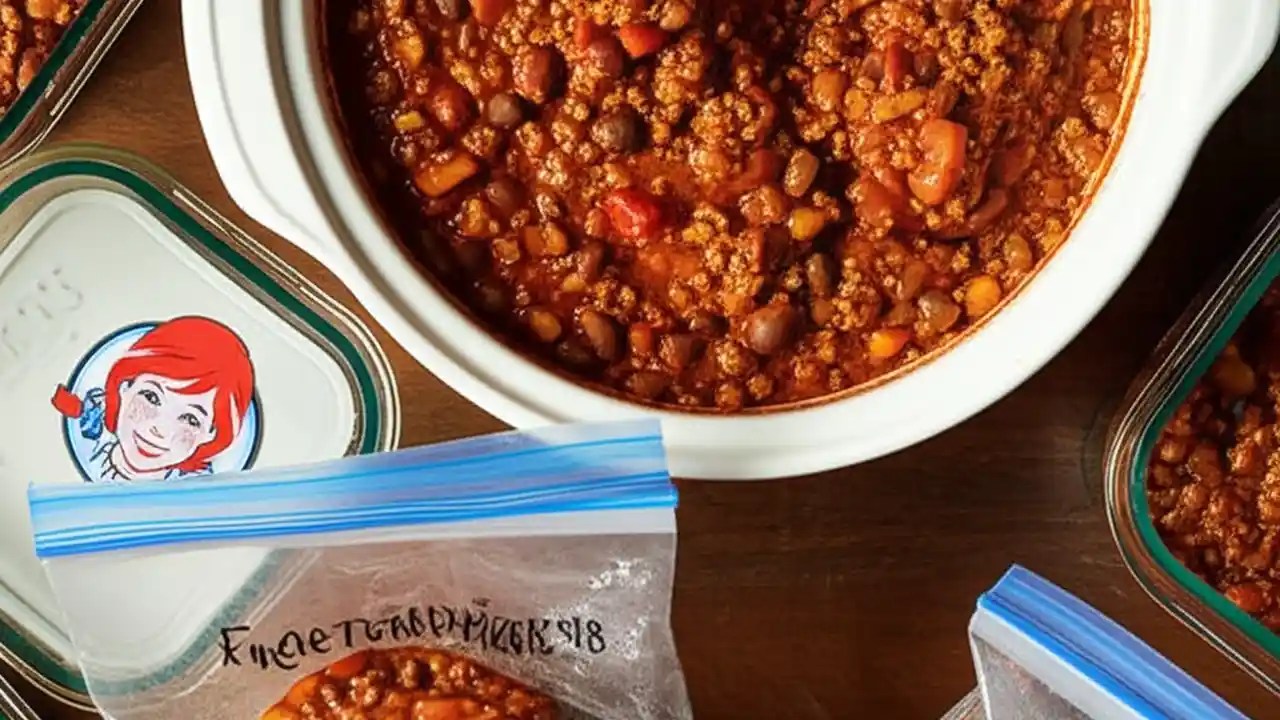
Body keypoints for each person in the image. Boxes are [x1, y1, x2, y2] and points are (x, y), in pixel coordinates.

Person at [51, 317, 256, 483]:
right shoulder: (91, 443)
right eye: (151, 397)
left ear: (211, 434)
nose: (160, 429)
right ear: (125, 387)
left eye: (190, 419)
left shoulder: (191, 497)